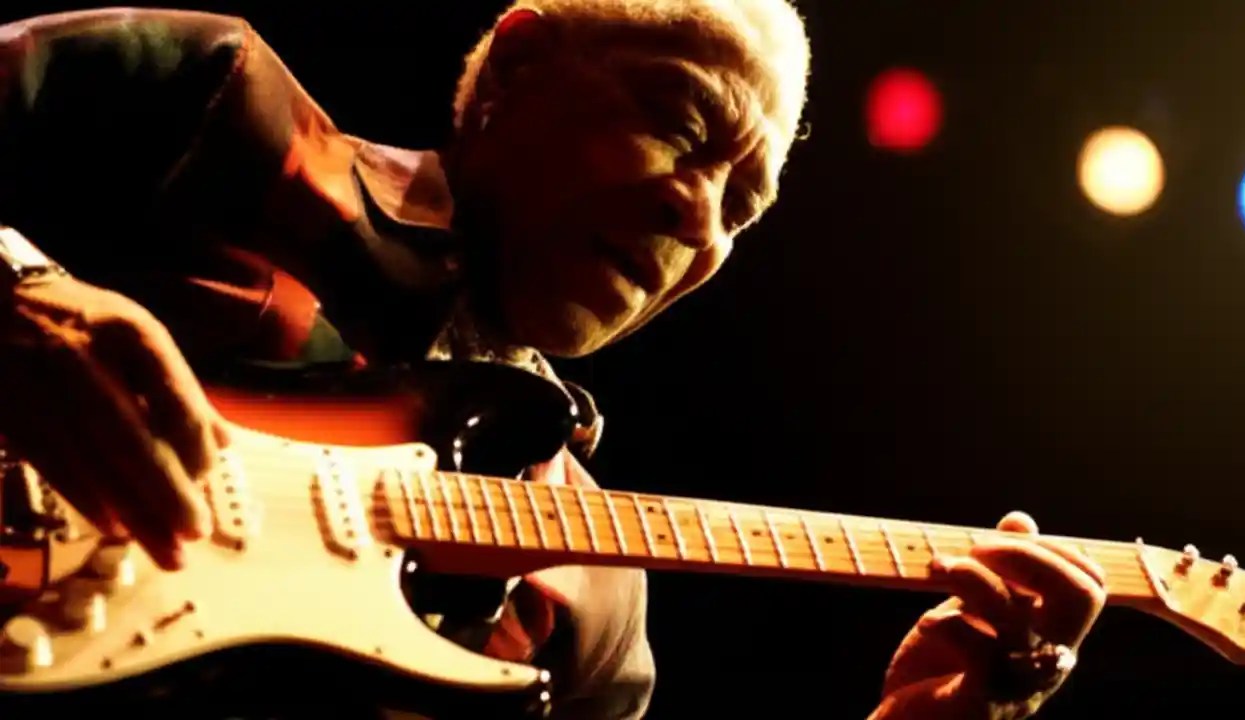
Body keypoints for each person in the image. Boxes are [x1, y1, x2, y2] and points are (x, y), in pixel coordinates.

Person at [0, 2, 1106, 719]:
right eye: (679, 123)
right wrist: (17, 298)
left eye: (744, 203)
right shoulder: (220, 105)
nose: (700, 215)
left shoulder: (587, 600)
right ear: (518, 67)